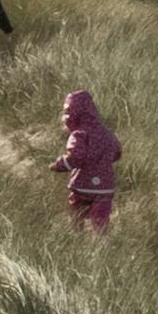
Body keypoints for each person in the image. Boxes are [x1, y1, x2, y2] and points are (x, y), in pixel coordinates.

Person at [58, 87, 121, 232]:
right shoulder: (107, 133)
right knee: (101, 218)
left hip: (82, 184)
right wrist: (104, 161)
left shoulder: (79, 134)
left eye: (67, 112)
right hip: (104, 187)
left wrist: (60, 164)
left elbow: (76, 156)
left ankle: (76, 238)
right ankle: (102, 244)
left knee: (76, 212)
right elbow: (117, 152)